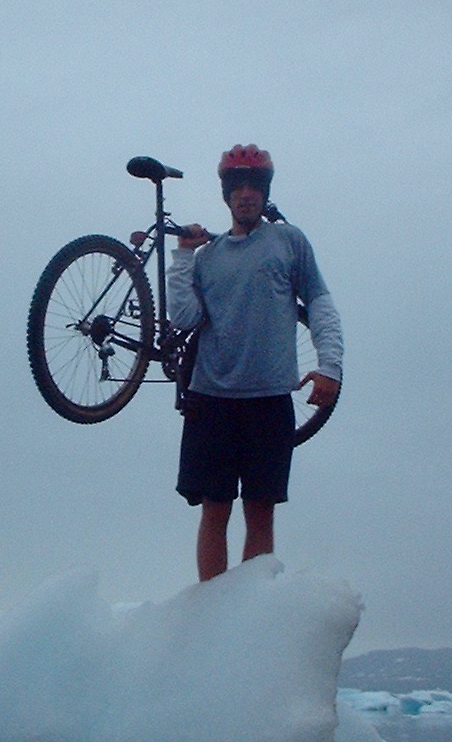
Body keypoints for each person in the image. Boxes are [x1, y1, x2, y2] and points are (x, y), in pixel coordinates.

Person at [167, 144, 343, 581]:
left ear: (265, 193)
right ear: (226, 195)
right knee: (214, 509)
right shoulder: (209, 256)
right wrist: (183, 257)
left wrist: (330, 366)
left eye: (254, 187)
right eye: (237, 187)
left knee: (260, 509)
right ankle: (211, 614)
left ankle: (251, 615)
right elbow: (186, 317)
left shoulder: (288, 241)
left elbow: (318, 301)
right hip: (210, 397)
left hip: (268, 399)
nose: (246, 194)